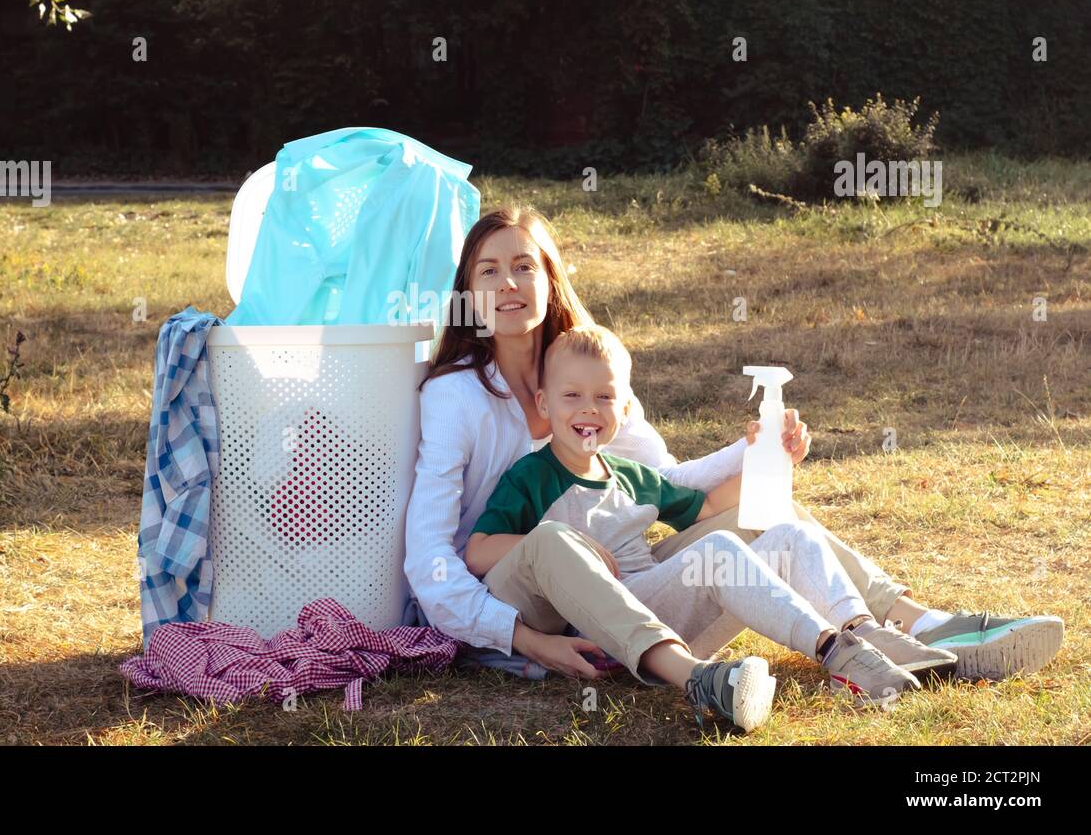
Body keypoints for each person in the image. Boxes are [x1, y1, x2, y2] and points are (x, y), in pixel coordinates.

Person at [401, 205, 1064, 715]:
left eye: (524, 266)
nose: (508, 283)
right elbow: (432, 555)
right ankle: (709, 673)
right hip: (511, 595)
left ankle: (916, 629)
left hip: (615, 579)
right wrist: (522, 639)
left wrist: (755, 452)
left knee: (769, 510)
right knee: (561, 542)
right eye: (489, 270)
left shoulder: (586, 370)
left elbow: (660, 483)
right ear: (467, 290)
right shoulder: (456, 395)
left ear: (550, 279)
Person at [463, 325, 959, 729]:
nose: (588, 408)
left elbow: (708, 508)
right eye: (571, 395)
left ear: (625, 408)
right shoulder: (531, 476)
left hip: (657, 601)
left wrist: (770, 458)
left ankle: (861, 636)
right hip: (600, 623)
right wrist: (576, 543)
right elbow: (478, 551)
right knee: (715, 549)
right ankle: (831, 651)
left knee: (789, 532)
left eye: (604, 396)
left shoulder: (631, 475)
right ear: (544, 404)